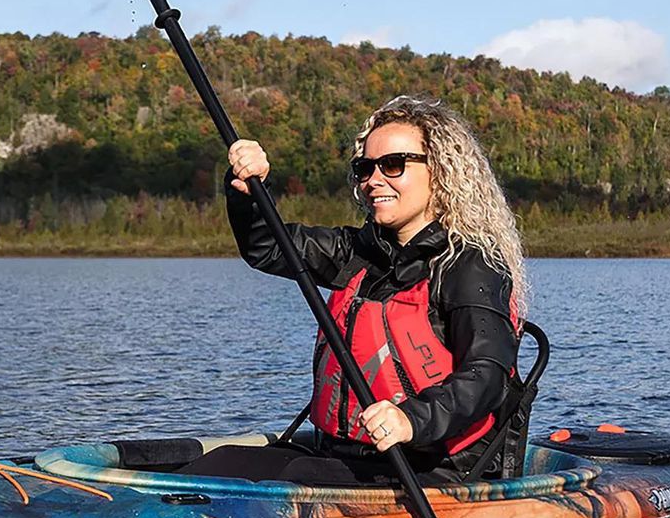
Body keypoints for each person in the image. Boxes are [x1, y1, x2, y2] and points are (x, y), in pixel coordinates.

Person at [226, 94, 528, 481]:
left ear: (441, 172)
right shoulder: (357, 252)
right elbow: (266, 245)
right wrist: (246, 192)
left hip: (429, 469)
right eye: (365, 168)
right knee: (225, 464)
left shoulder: (471, 266)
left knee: (285, 475)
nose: (374, 180)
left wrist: (410, 420)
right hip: (347, 456)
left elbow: (487, 376)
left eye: (393, 165)